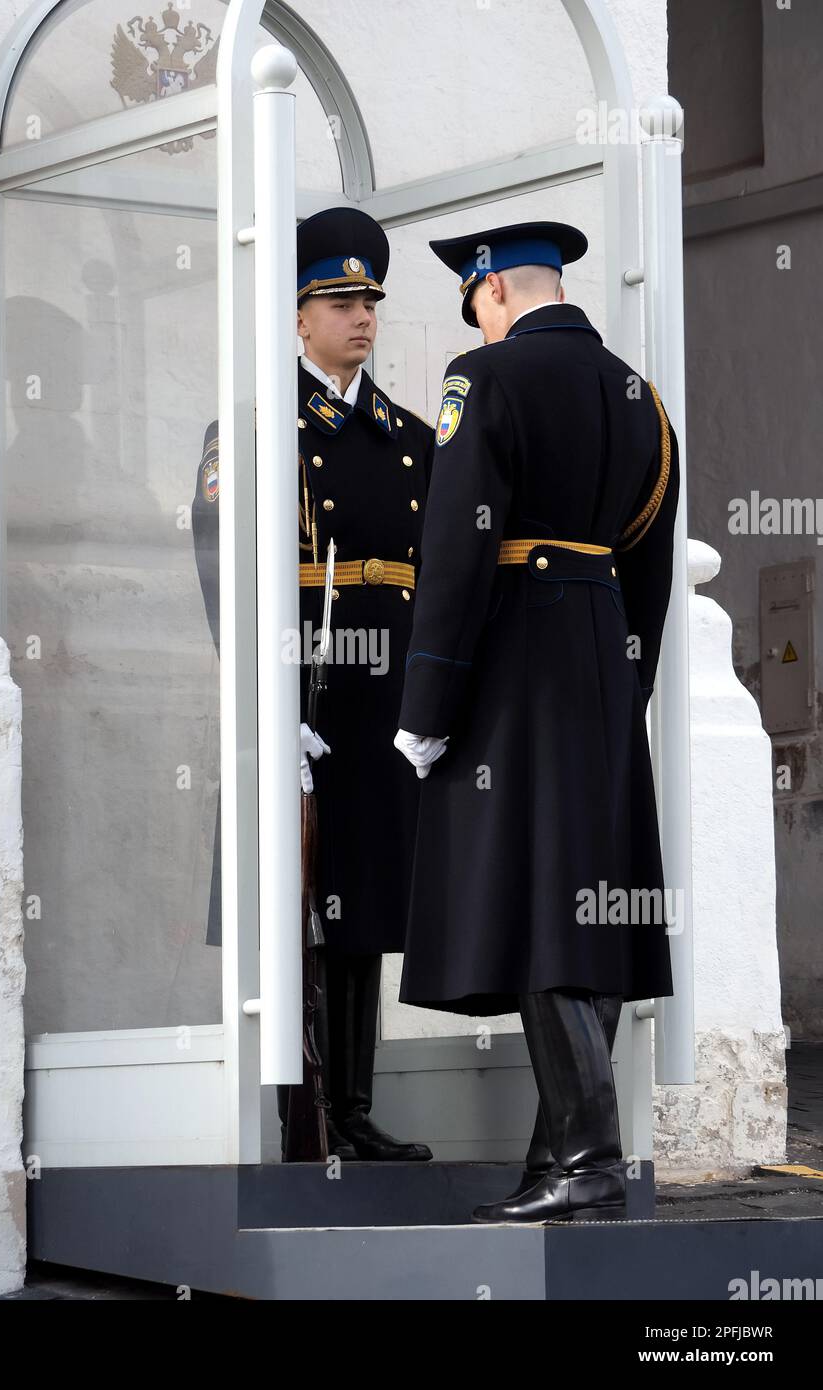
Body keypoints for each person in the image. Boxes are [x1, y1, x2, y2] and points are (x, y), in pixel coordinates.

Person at [393, 220, 680, 1220]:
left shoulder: (487, 379)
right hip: (601, 661)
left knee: (536, 902)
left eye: (475, 303)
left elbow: (457, 548)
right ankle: (558, 1156)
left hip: (515, 666)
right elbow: (649, 569)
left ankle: (588, 1159)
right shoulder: (643, 399)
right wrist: (624, 685)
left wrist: (427, 702)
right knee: (587, 903)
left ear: (494, 293)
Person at [193, 207, 435, 1161]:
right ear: (297, 316)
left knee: (363, 901)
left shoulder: (412, 438)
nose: (360, 317)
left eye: (368, 300)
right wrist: (263, 703)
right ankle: (287, 1108)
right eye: (338, 301)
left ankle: (355, 1110)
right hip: (299, 690)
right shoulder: (254, 423)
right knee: (284, 899)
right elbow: (222, 567)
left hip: (381, 701)